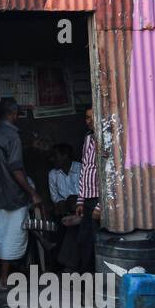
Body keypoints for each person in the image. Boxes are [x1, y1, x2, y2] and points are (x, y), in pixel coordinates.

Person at [0, 98, 45, 291]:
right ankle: (3, 280)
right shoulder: (13, 137)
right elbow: (16, 168)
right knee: (11, 237)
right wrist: (33, 193)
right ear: (14, 114)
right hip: (13, 197)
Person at [74, 106, 101, 273]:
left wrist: (101, 205)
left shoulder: (106, 140)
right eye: (87, 117)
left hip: (99, 200)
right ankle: (86, 279)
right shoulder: (88, 139)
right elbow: (85, 168)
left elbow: (109, 174)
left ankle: (98, 281)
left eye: (92, 117)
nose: (89, 120)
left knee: (96, 241)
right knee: (84, 240)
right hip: (88, 198)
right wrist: (80, 199)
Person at [47, 143, 82, 214]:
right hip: (65, 210)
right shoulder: (53, 174)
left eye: (55, 156)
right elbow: (55, 197)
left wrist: (77, 199)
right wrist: (62, 202)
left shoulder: (82, 169)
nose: (51, 159)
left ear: (65, 156)